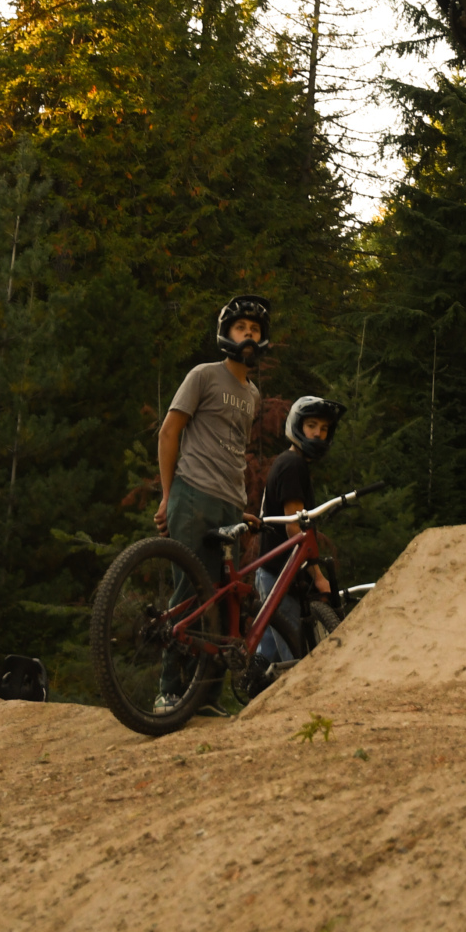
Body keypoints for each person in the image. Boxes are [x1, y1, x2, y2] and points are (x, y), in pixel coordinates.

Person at [153, 294, 268, 713]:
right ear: (226, 333)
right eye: (241, 328)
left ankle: (205, 698)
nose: (248, 335)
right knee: (189, 594)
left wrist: (238, 508)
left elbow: (231, 452)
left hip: (228, 505)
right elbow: (169, 433)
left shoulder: (253, 395)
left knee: (223, 600)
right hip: (192, 494)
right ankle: (168, 690)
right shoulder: (203, 375)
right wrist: (170, 496)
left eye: (255, 330)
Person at [253, 395, 346, 670]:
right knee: (295, 661)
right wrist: (317, 576)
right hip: (279, 575)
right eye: (311, 425)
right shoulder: (293, 465)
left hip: (273, 572)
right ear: (297, 426)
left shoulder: (291, 462)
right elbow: (294, 526)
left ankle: (253, 689)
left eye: (324, 428)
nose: (318, 434)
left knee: (268, 660)